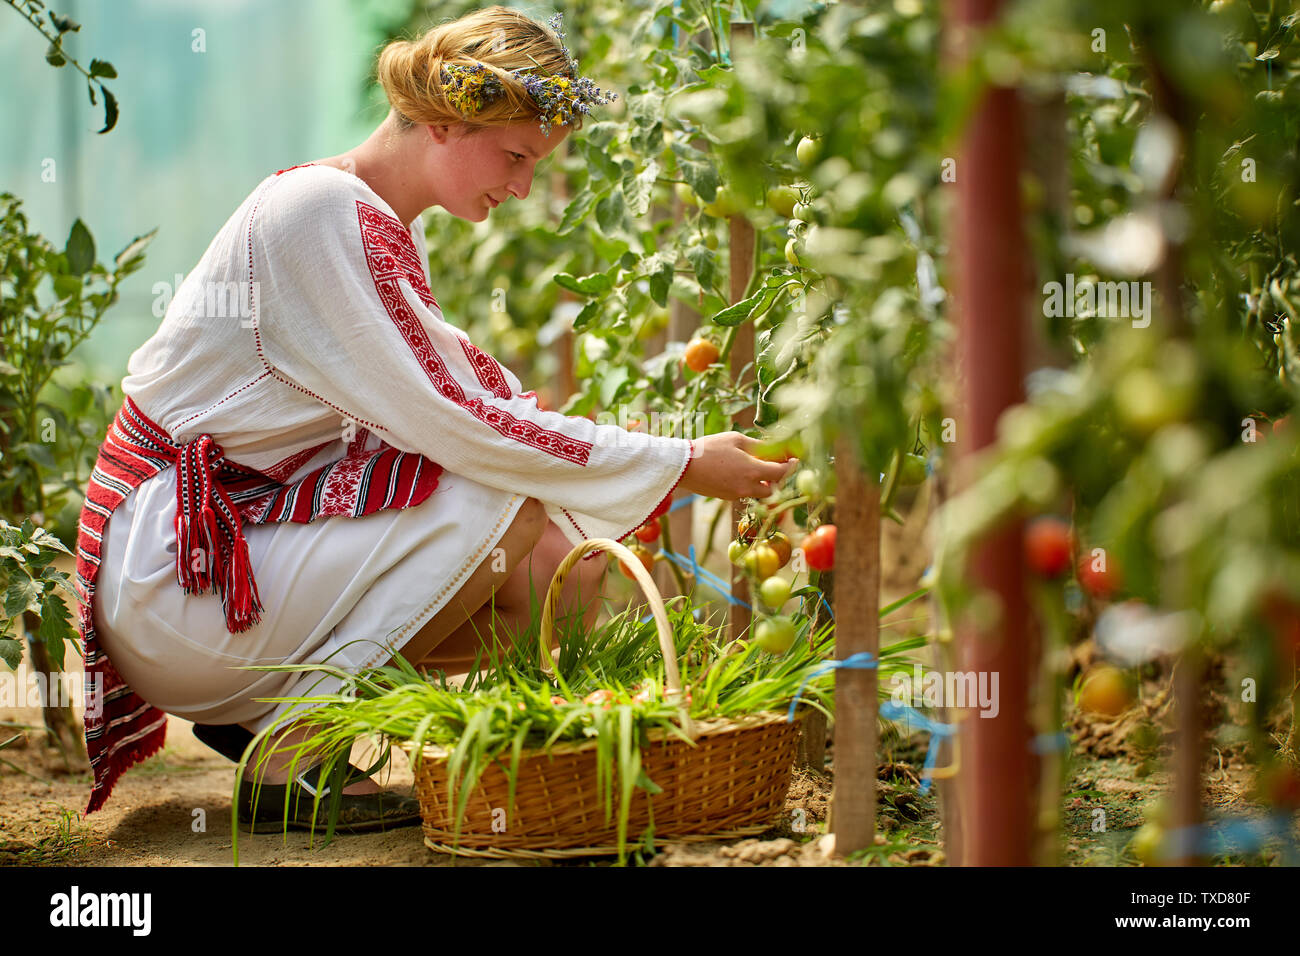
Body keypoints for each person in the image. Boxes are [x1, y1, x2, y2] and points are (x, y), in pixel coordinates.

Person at [74, 5, 797, 832]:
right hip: (175, 574)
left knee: (552, 574)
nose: (522, 186)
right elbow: (460, 421)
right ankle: (288, 753)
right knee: (497, 500)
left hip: (208, 559)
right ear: (448, 121)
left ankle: (268, 714)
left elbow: (466, 400)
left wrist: (635, 463)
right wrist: (682, 461)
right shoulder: (319, 213)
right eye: (516, 155)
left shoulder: (368, 221)